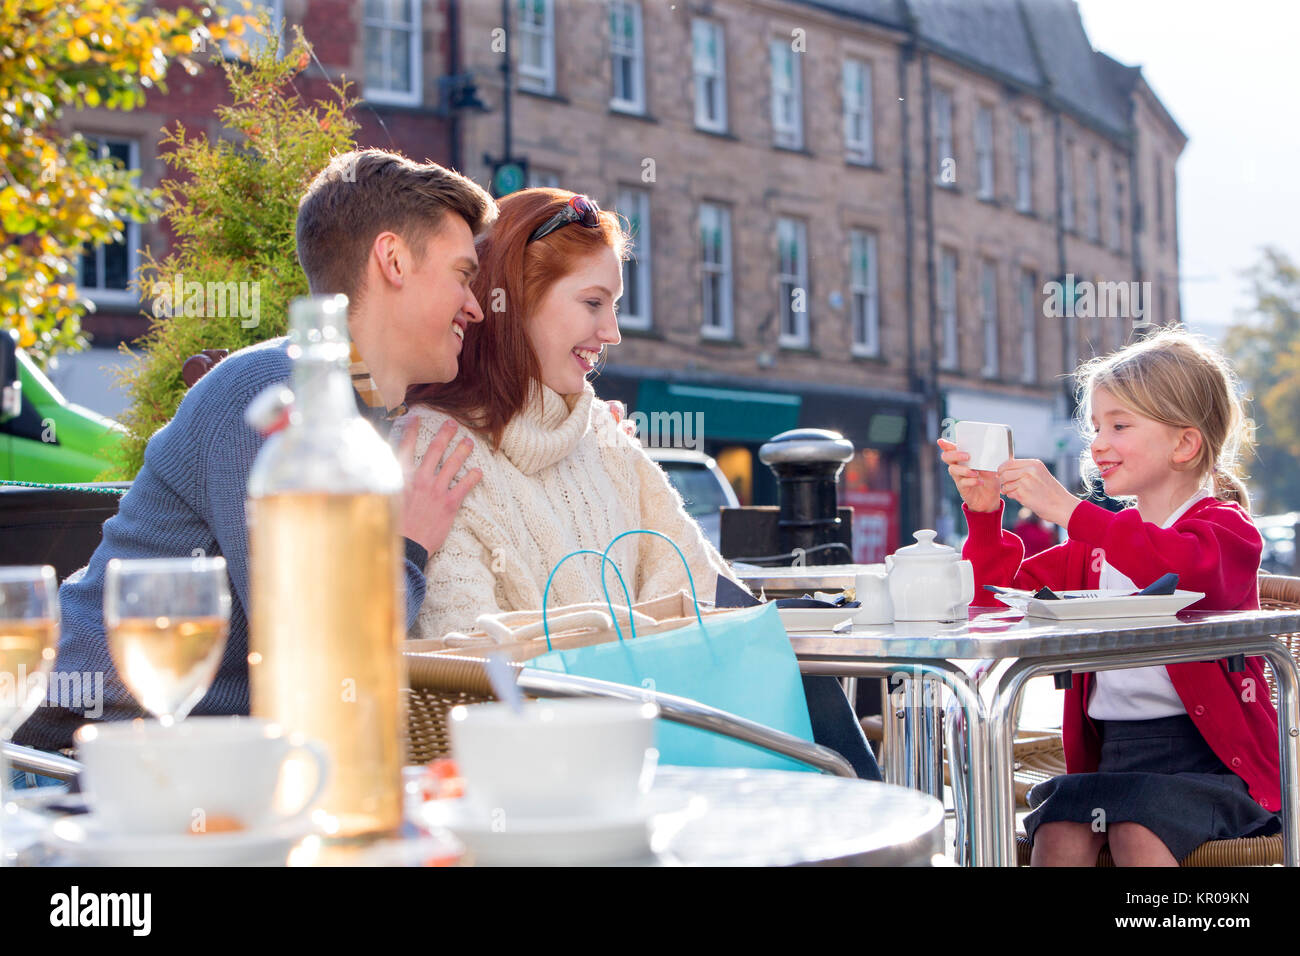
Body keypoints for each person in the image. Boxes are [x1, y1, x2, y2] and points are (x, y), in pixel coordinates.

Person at [15, 149, 497, 753]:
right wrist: (409, 545)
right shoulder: (269, 392)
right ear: (393, 260)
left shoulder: (358, 417)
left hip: (189, 758)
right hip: (72, 761)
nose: (476, 307)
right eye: (462, 274)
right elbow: (322, 658)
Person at [400, 188, 881, 779]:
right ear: (515, 302)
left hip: (674, 735)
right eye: (593, 303)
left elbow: (697, 578)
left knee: (803, 677)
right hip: (560, 767)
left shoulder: (599, 430)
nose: (613, 333)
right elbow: (472, 662)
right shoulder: (434, 448)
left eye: (616, 306)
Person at [938, 326, 1277, 866]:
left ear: (1185, 443)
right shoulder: (1093, 548)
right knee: (1059, 828)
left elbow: (1185, 569)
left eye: (1119, 425)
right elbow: (990, 603)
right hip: (1111, 762)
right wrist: (983, 517)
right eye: (1096, 426)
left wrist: (1072, 510)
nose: (1097, 443)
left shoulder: (1225, 531)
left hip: (1213, 765)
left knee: (1137, 830)